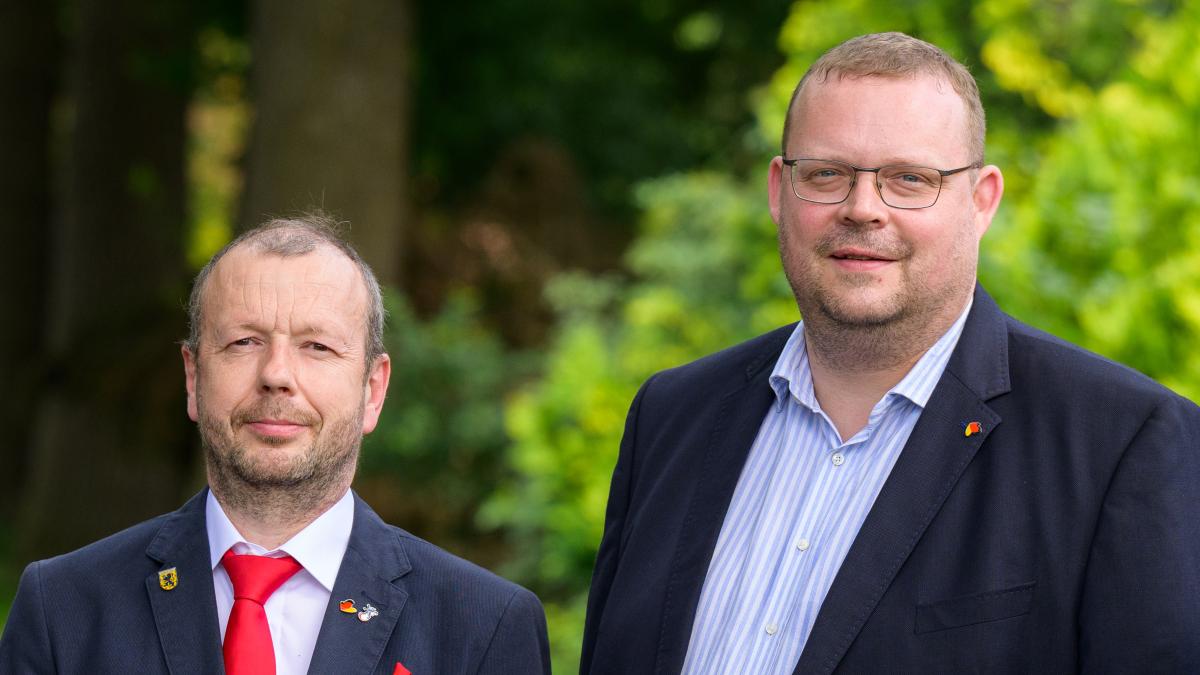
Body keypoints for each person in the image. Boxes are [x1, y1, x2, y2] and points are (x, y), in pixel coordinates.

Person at [580, 32, 1200, 674]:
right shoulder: (671, 416)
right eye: (827, 174)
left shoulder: (1124, 445)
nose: (863, 209)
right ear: (778, 190)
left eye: (910, 179)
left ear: (981, 200)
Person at [0, 215, 551, 674]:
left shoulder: (485, 628)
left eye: (317, 346)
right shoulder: (64, 609)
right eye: (244, 342)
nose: (277, 374)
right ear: (193, 378)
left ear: (374, 390)